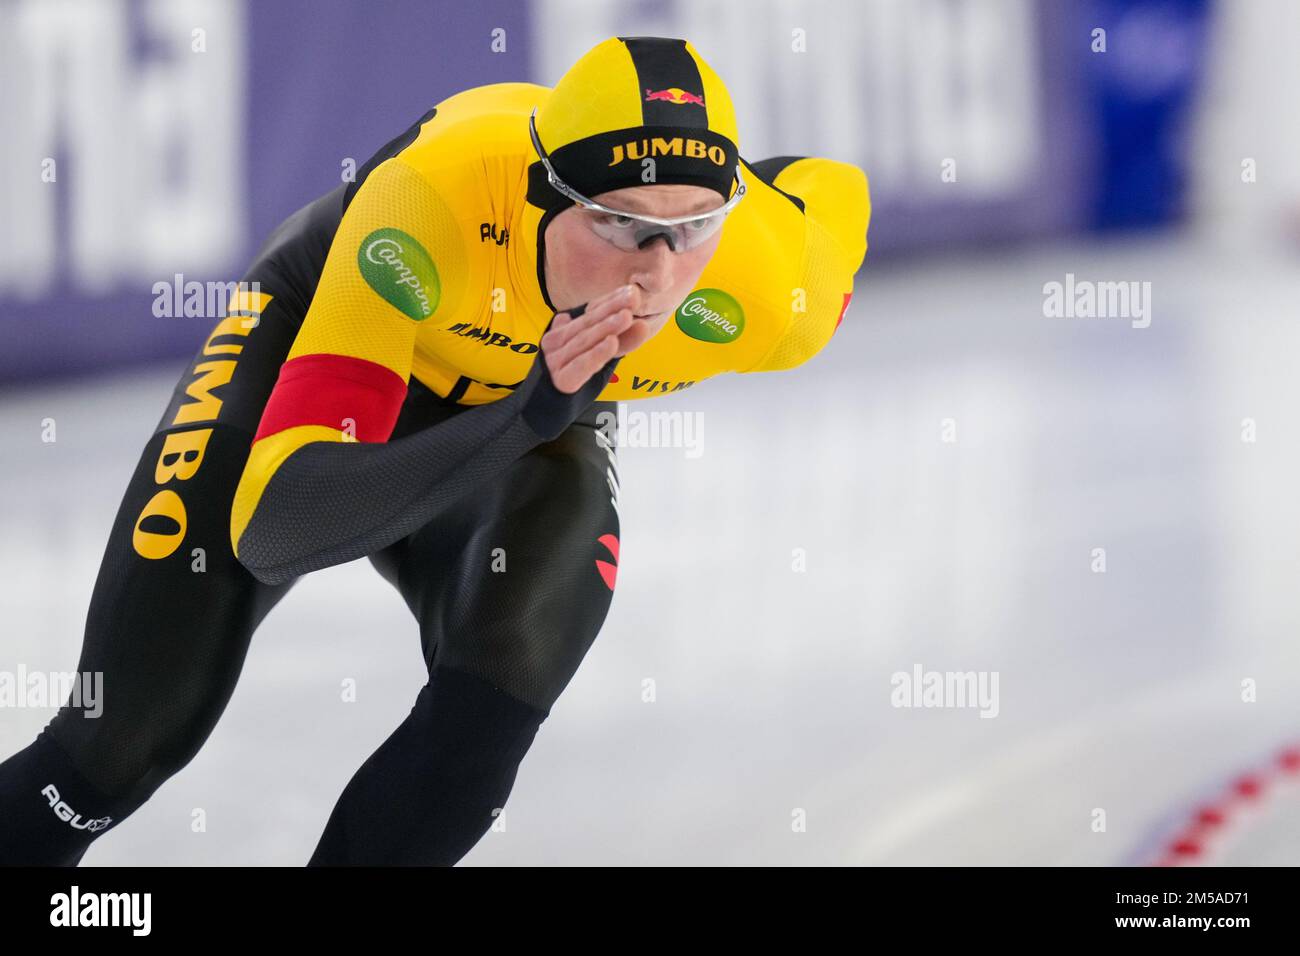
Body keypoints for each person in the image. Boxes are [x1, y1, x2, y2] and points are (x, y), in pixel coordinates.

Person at [0, 35, 869, 865]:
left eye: (694, 226)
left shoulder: (768, 290)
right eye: (615, 223)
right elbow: (278, 527)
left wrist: (542, 406)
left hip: (541, 402)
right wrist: (529, 412)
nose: (655, 273)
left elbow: (832, 190)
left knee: (491, 709)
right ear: (540, 192)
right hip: (340, 338)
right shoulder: (427, 203)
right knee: (123, 739)